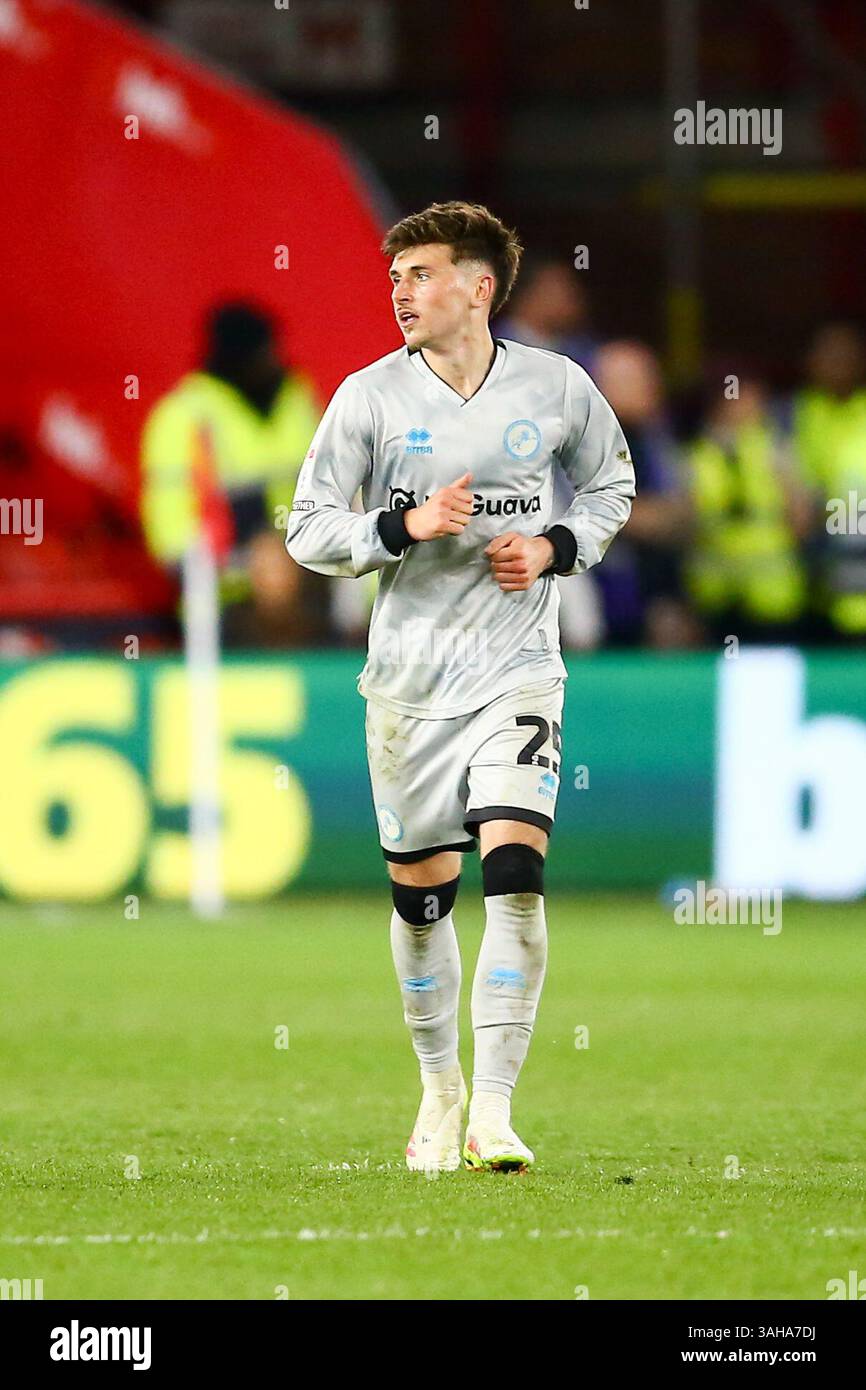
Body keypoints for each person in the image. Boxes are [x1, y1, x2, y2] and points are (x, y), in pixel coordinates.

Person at [286, 201, 634, 1173]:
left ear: (478, 287)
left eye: (421, 274)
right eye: (396, 277)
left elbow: (611, 485)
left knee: (515, 872)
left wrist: (556, 545)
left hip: (517, 670)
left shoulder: (557, 388)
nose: (401, 292)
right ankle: (440, 1090)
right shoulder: (367, 397)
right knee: (423, 902)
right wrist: (400, 527)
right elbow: (306, 526)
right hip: (408, 686)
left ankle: (496, 1112)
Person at [140, 301, 323, 644]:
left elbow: (337, 490)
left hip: (306, 582)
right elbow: (171, 531)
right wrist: (241, 564)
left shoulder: (296, 400)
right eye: (259, 352)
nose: (268, 360)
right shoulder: (184, 415)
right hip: (224, 598)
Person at [493, 253, 597, 369]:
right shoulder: (492, 347)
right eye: (559, 289)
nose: (572, 296)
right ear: (528, 294)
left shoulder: (580, 348)